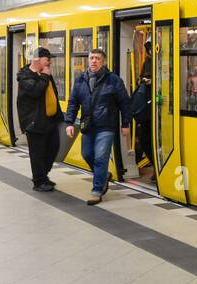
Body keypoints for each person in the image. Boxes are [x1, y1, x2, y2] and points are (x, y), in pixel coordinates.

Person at [65, 48, 133, 205]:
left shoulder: (114, 80)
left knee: (101, 157)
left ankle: (97, 190)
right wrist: (69, 122)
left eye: (97, 58)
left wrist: (125, 123)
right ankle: (103, 176)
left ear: (103, 61)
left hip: (106, 126)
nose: (93, 61)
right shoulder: (80, 80)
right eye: (91, 58)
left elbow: (125, 103)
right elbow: (73, 102)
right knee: (87, 154)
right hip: (88, 125)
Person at [17, 47, 62, 192]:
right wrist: (44, 76)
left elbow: (51, 94)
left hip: (49, 119)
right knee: (37, 153)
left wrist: (59, 115)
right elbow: (36, 91)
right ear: (37, 60)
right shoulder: (25, 76)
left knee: (53, 147)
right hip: (34, 121)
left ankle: (42, 175)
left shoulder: (45, 74)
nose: (49, 62)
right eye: (47, 59)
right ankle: (39, 181)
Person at [133, 38, 153, 170]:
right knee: (144, 138)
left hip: (158, 107)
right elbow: (141, 78)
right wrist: (144, 80)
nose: (151, 50)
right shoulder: (147, 62)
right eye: (149, 47)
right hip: (146, 106)